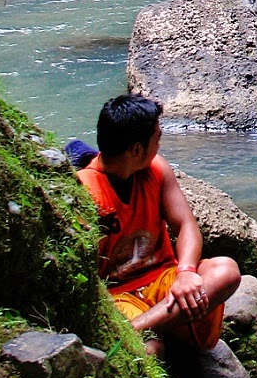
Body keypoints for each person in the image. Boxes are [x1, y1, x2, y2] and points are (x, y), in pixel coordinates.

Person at [78, 94, 241, 356]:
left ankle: (141, 326)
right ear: (136, 150)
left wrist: (186, 271)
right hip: (118, 294)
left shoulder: (156, 169)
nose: (160, 145)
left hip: (164, 279)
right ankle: (162, 326)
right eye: (157, 138)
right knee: (151, 351)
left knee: (226, 271)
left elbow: (186, 224)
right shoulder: (85, 190)